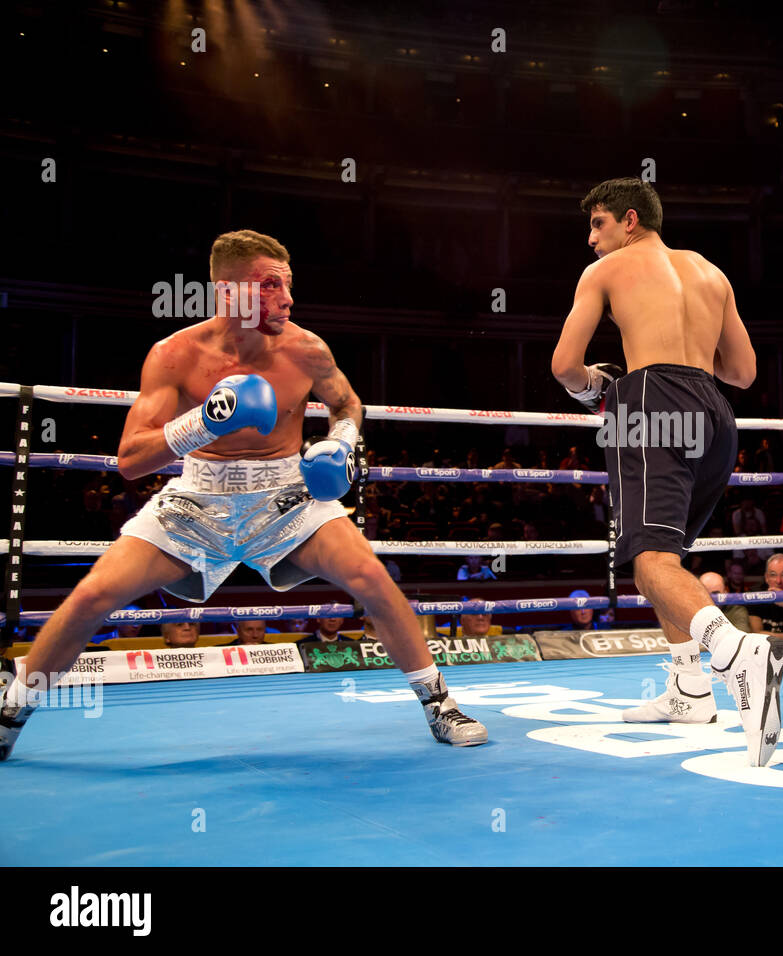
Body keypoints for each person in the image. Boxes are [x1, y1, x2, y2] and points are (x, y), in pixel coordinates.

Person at [1, 229, 484, 762]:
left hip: (286, 497)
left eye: (289, 285)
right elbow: (131, 460)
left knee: (370, 576)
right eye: (271, 285)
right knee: (93, 595)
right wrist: (204, 422)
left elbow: (348, 404)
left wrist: (342, 440)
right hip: (198, 500)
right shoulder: (174, 355)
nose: (288, 298)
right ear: (229, 292)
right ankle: (11, 711)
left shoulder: (306, 349)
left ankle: (439, 703)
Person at [550, 177, 783, 766]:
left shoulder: (606, 272)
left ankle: (734, 654)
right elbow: (745, 373)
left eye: (598, 224)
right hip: (717, 414)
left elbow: (563, 365)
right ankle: (688, 689)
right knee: (663, 556)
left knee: (650, 562)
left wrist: (596, 391)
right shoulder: (711, 272)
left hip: (651, 401)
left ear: (630, 220)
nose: (590, 239)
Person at [702, 571, 783, 644]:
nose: (778, 581)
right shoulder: (755, 596)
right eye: (773, 575)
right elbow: (754, 633)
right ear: (766, 577)